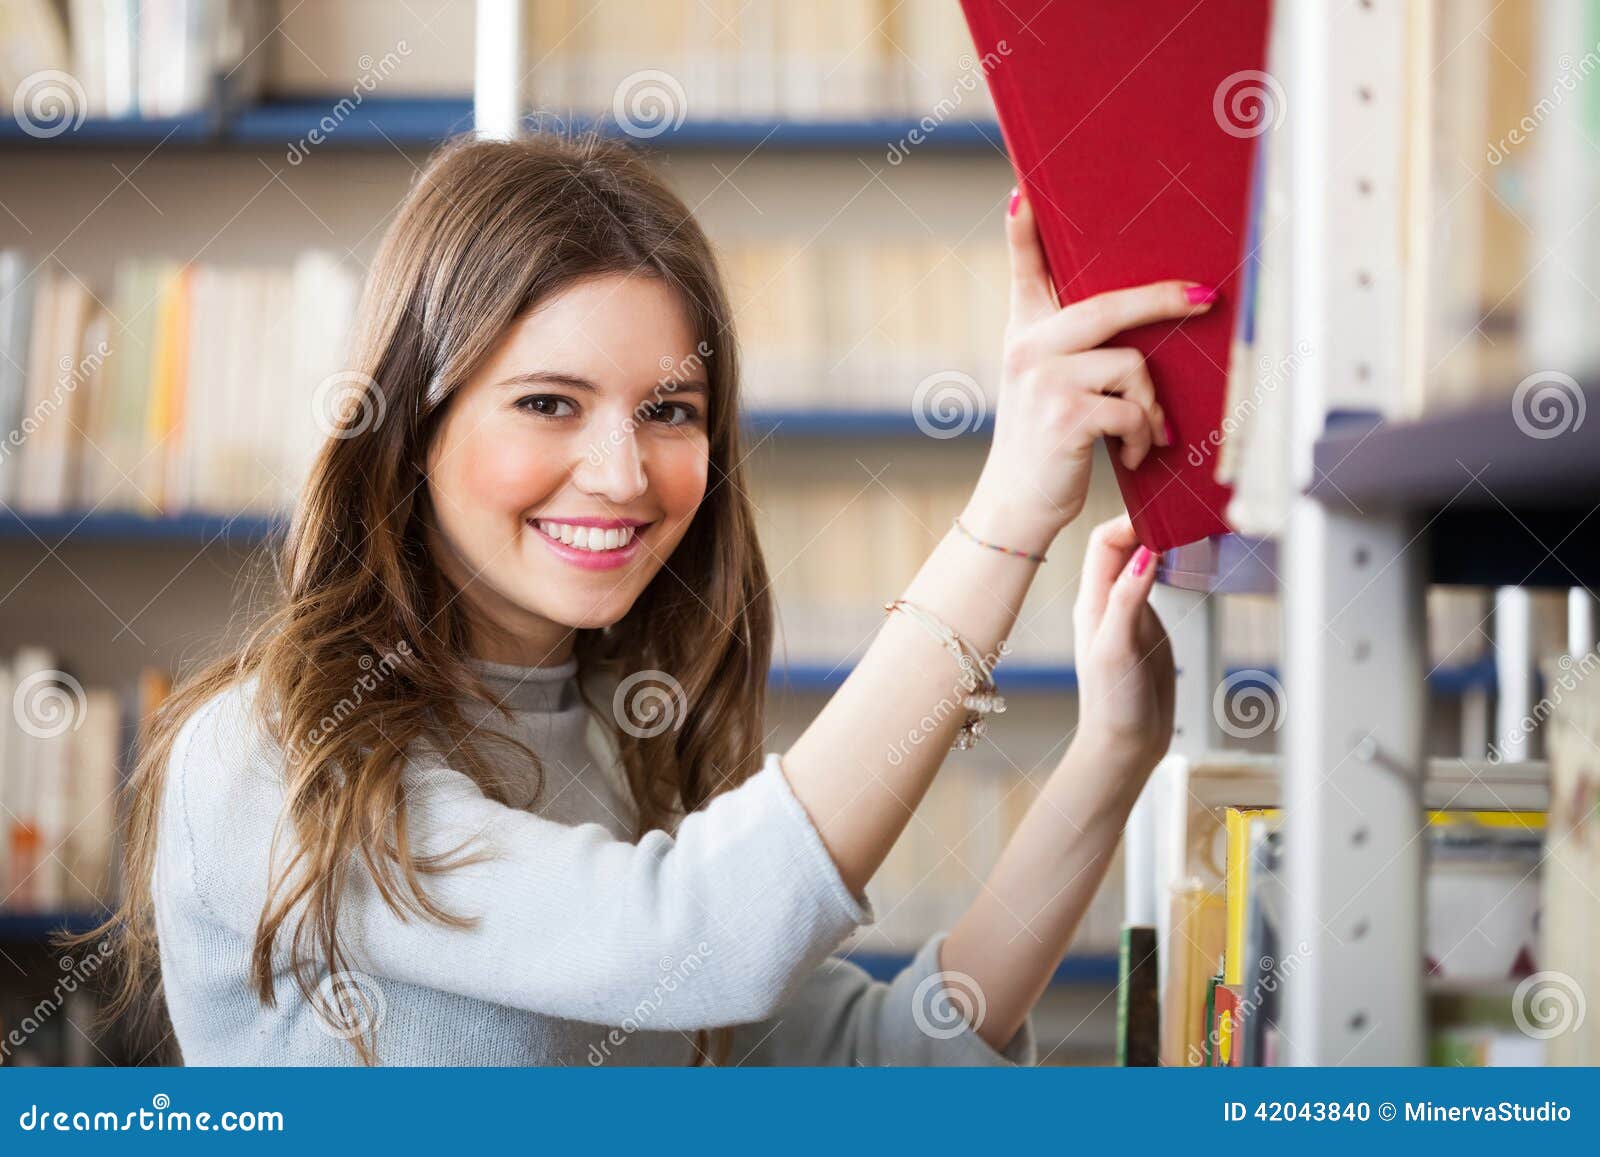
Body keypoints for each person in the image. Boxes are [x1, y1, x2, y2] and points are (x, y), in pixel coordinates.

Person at [82, 132, 1201, 1065]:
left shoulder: (626, 747)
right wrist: (1008, 515)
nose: (623, 475)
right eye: (548, 403)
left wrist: (1111, 755)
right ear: (411, 425)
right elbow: (696, 938)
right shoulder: (272, 754)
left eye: (669, 411)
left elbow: (877, 1056)